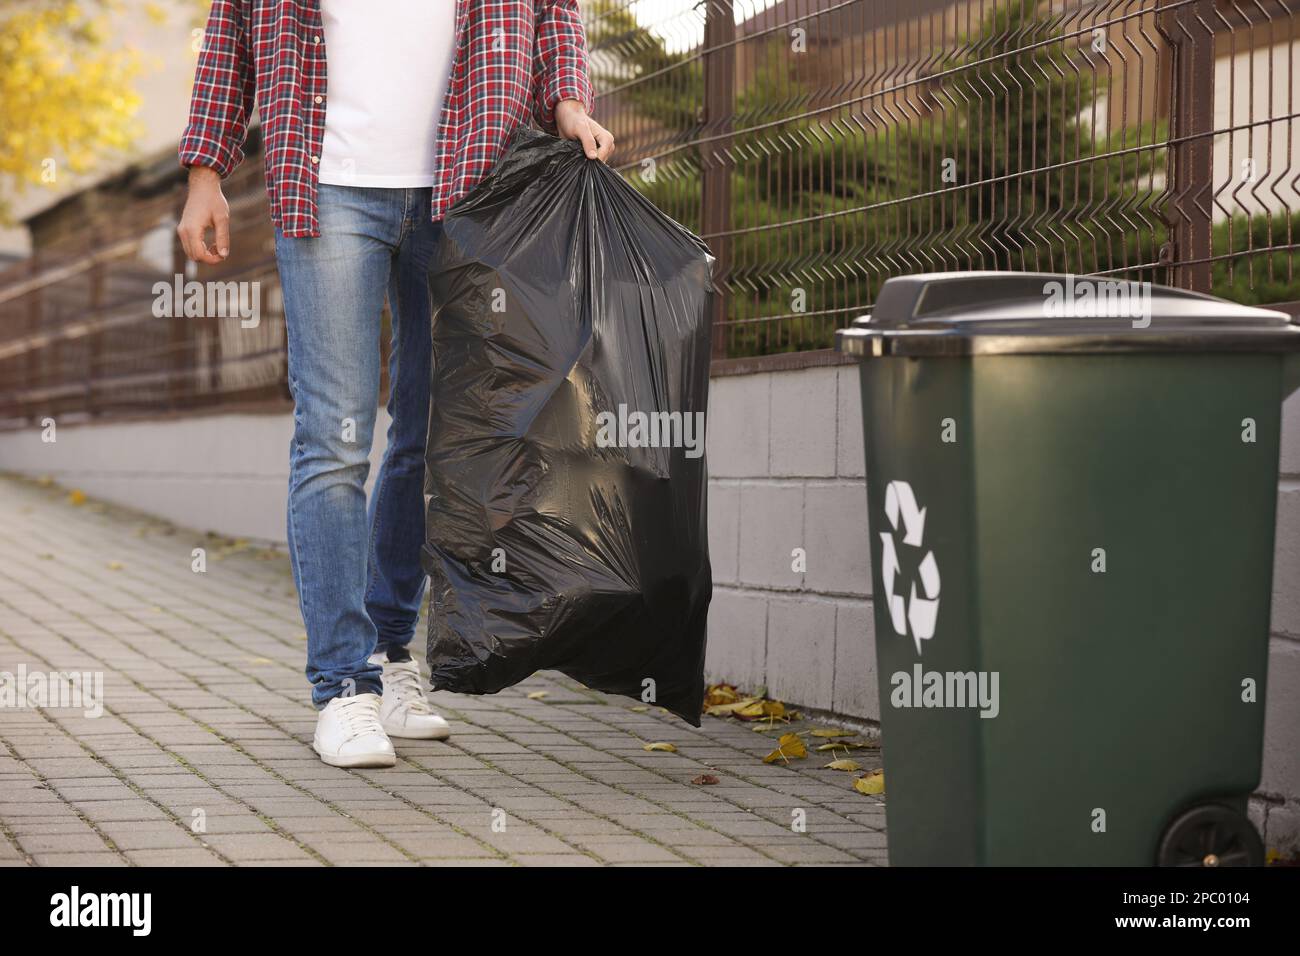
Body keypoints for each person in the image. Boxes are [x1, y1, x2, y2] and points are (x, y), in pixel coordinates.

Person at [175, 0, 614, 768]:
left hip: (465, 186)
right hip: (328, 182)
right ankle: (342, 688)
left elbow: (553, 11)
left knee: (428, 437)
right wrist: (206, 169)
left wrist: (568, 101)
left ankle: (387, 654)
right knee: (334, 438)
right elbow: (231, 29)